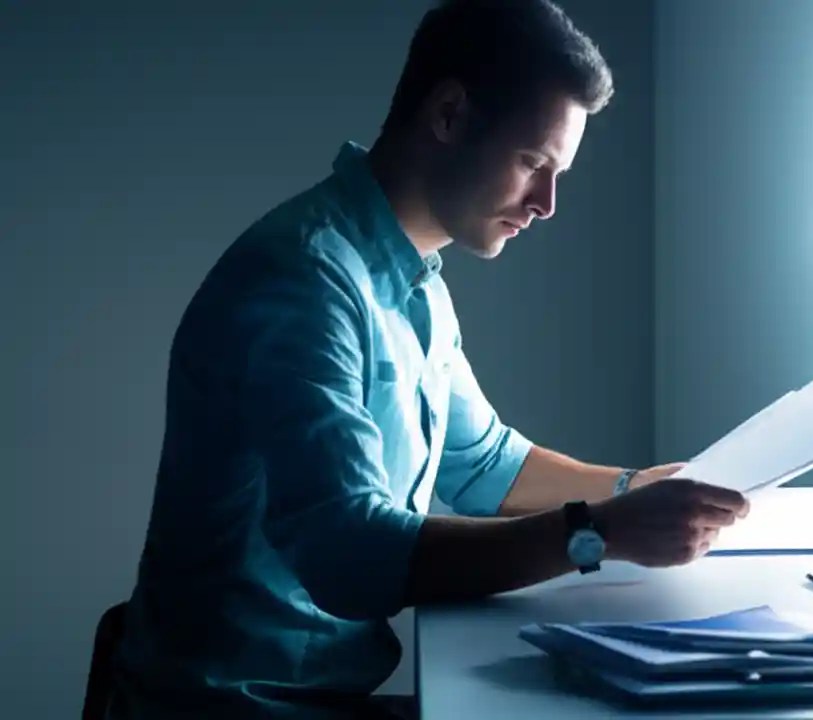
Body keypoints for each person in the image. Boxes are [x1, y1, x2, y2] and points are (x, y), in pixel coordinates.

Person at [108, 1, 750, 718]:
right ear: (448, 115)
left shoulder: (412, 278)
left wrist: (639, 488)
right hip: (233, 709)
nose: (547, 204)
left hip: (313, 697)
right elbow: (352, 556)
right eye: (533, 163)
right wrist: (597, 532)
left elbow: (484, 465)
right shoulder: (301, 282)